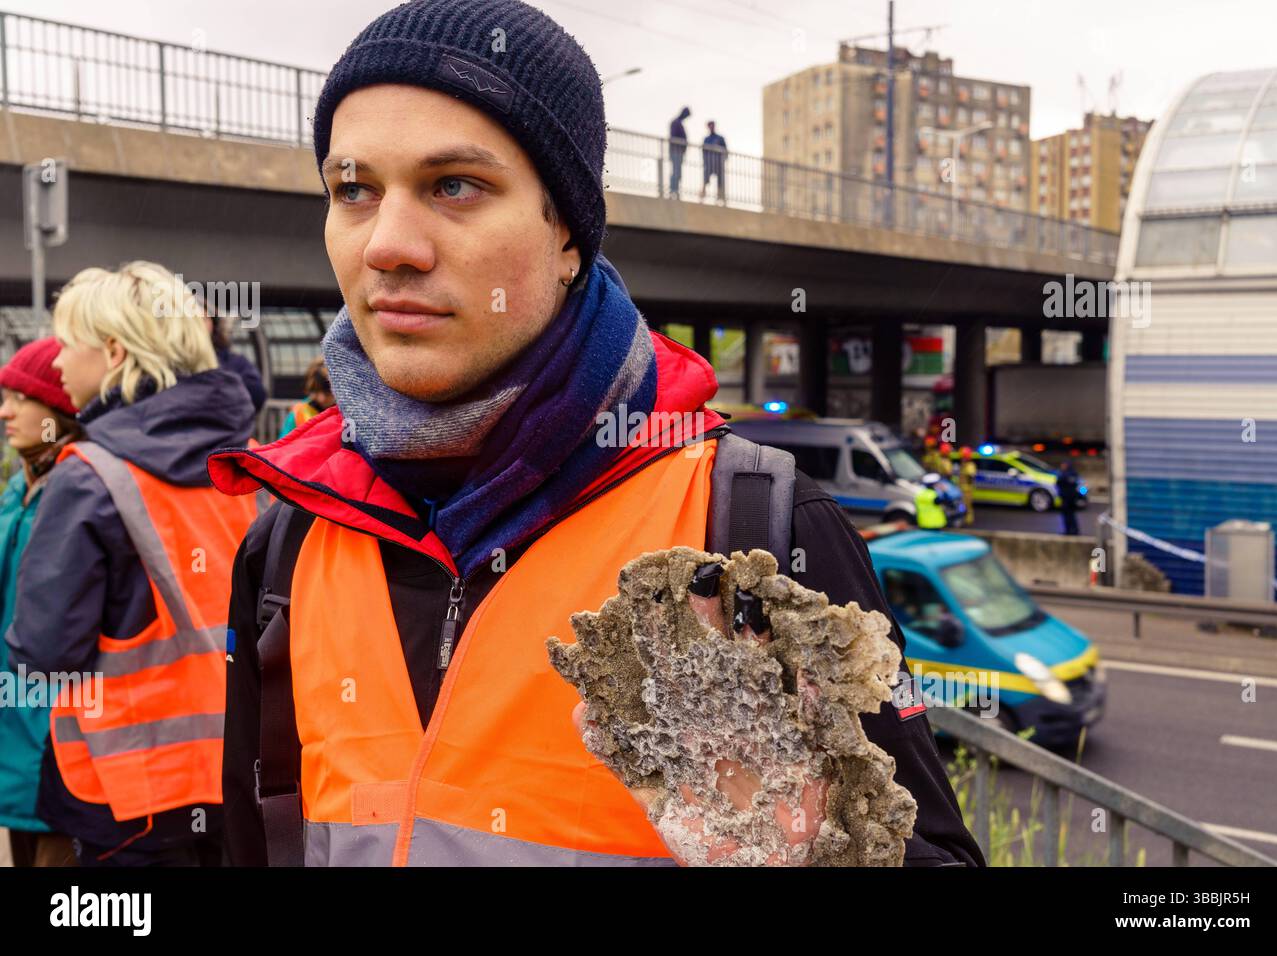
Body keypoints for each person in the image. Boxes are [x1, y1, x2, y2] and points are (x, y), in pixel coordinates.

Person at [210, 0, 982, 868]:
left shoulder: (751, 523)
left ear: (568, 229)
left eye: (454, 185)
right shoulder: (290, 536)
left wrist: (808, 849)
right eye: (353, 190)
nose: (387, 244)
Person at [4, 261, 258, 866]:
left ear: (114, 352)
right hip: (240, 773)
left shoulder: (89, 476)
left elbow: (43, 652)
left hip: (125, 789)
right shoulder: (253, 468)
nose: (58, 362)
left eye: (69, 345)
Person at [0, 338, 82, 867]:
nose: (5, 411)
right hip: (18, 752)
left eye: (19, 397)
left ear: (58, 408)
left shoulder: (77, 495)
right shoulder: (18, 489)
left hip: (62, 759)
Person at [207, 315, 267, 413]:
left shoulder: (236, 363)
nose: (197, 325)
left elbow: (257, 397)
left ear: (214, 324)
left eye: (203, 319)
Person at [277, 357, 334, 439]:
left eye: (328, 392)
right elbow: (283, 444)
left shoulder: (347, 413)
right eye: (316, 391)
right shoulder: (298, 413)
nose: (322, 398)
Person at [700, 120, 728, 205]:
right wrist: (705, 162)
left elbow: (725, 151)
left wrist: (724, 160)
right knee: (705, 181)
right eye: (710, 126)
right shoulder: (706, 139)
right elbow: (704, 151)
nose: (711, 127)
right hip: (709, 163)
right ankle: (702, 197)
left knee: (720, 182)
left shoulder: (720, 138)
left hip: (718, 163)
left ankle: (721, 199)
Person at [668, 107, 690, 199]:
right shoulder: (676, 123)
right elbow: (674, 137)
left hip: (678, 151)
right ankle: (673, 191)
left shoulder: (679, 123)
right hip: (676, 151)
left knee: (678, 172)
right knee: (676, 172)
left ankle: (675, 191)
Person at [1057, 459, 1081, 536]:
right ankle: (1070, 530)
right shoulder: (1066, 474)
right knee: (1068, 515)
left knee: (1069, 515)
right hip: (1066, 497)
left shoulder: (1069, 474)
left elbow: (1062, 481)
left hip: (1069, 498)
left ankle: (1072, 531)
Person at [957, 446, 977, 527]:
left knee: (967, 506)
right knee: (962, 505)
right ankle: (964, 519)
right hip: (962, 488)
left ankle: (968, 521)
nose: (961, 458)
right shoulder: (964, 465)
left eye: (962, 456)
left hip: (967, 489)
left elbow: (971, 476)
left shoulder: (970, 465)